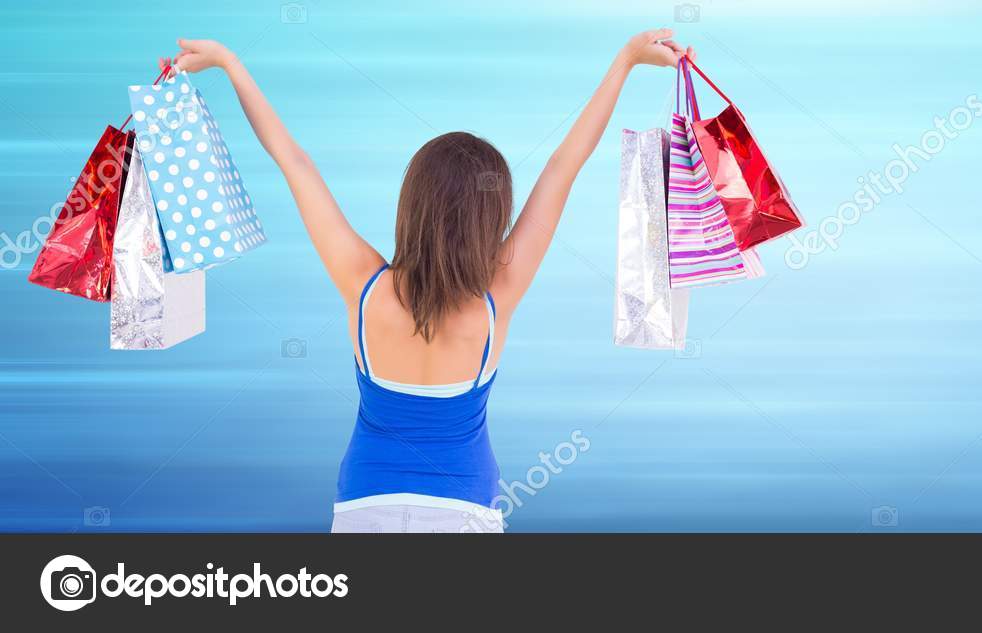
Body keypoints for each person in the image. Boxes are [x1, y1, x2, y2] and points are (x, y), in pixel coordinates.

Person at [165, 29, 693, 532]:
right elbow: (562, 167)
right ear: (492, 218)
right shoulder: (496, 297)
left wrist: (230, 64)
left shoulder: (364, 286)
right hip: (464, 510)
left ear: (410, 205)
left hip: (363, 507)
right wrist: (624, 62)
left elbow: (294, 162)